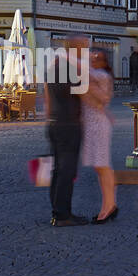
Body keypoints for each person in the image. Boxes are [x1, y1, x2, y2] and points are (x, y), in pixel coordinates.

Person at [44, 35, 88, 226]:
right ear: (76, 48)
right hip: (68, 124)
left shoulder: (53, 66)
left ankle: (57, 210)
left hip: (54, 122)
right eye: (84, 47)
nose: (86, 51)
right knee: (67, 171)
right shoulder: (70, 68)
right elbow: (82, 92)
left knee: (58, 170)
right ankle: (62, 215)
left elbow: (47, 94)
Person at [81, 49, 117, 223]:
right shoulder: (92, 74)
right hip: (92, 124)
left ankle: (109, 206)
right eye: (92, 57)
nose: (93, 59)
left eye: (97, 58)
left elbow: (103, 98)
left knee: (102, 166)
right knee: (99, 167)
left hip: (98, 124)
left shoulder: (101, 76)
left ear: (104, 62)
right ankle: (108, 205)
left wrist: (89, 87)